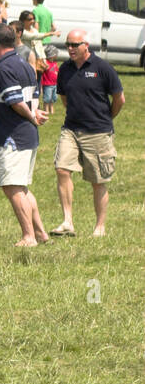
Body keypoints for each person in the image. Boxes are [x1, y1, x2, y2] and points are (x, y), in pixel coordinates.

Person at [49, 28, 125, 238]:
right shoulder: (65, 69)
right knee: (62, 168)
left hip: (98, 132)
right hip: (71, 129)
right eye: (67, 45)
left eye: (74, 45)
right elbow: (64, 98)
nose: (70, 49)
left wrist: (107, 118)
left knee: (98, 180)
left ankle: (100, 226)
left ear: (86, 46)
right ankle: (67, 222)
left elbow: (119, 99)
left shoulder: (103, 68)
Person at [0, 25, 50, 247]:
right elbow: (34, 95)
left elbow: (15, 101)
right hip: (25, 135)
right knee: (21, 187)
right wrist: (35, 112)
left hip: (12, 136)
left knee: (12, 186)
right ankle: (41, 234)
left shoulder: (4, 68)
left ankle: (28, 237)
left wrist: (31, 116)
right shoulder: (24, 63)